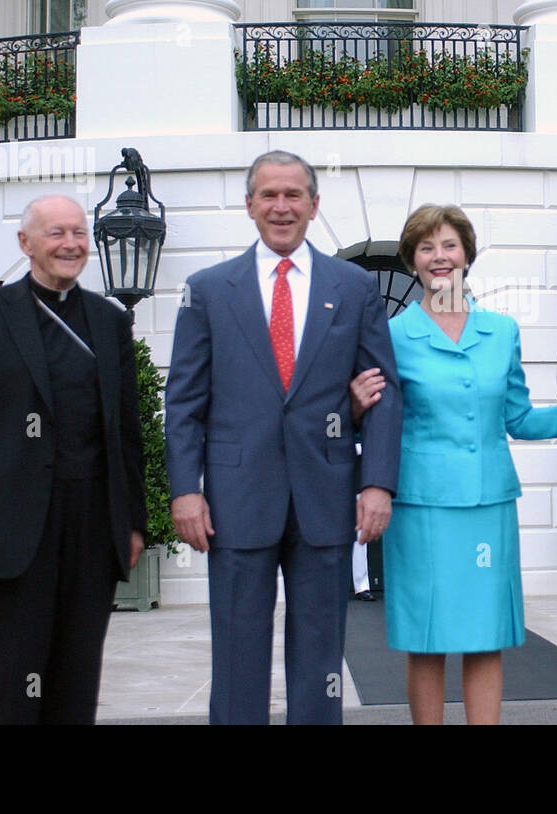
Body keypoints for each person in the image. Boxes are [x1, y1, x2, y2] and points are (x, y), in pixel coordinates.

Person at [164, 150, 401, 725]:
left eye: (294, 194)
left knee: (321, 653)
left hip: (325, 494)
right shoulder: (208, 290)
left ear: (314, 205)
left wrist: (378, 485)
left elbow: (385, 391)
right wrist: (184, 491)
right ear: (249, 205)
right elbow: (184, 402)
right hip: (236, 498)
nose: (281, 206)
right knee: (238, 651)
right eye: (269, 195)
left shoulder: (353, 287)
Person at [350, 204, 557, 725]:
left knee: (485, 636)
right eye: (427, 247)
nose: (440, 256)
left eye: (449, 245)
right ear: (412, 261)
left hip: (489, 505)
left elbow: (518, 420)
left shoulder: (501, 331)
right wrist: (356, 410)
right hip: (422, 506)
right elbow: (375, 422)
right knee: (425, 639)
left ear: (467, 255)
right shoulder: (393, 335)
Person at [0, 194, 145, 724]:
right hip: (9, 525)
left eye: (78, 233)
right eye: (56, 233)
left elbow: (126, 431)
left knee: (77, 677)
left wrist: (133, 523)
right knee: (13, 678)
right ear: (26, 243)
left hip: (92, 525)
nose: (71, 244)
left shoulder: (108, 319)